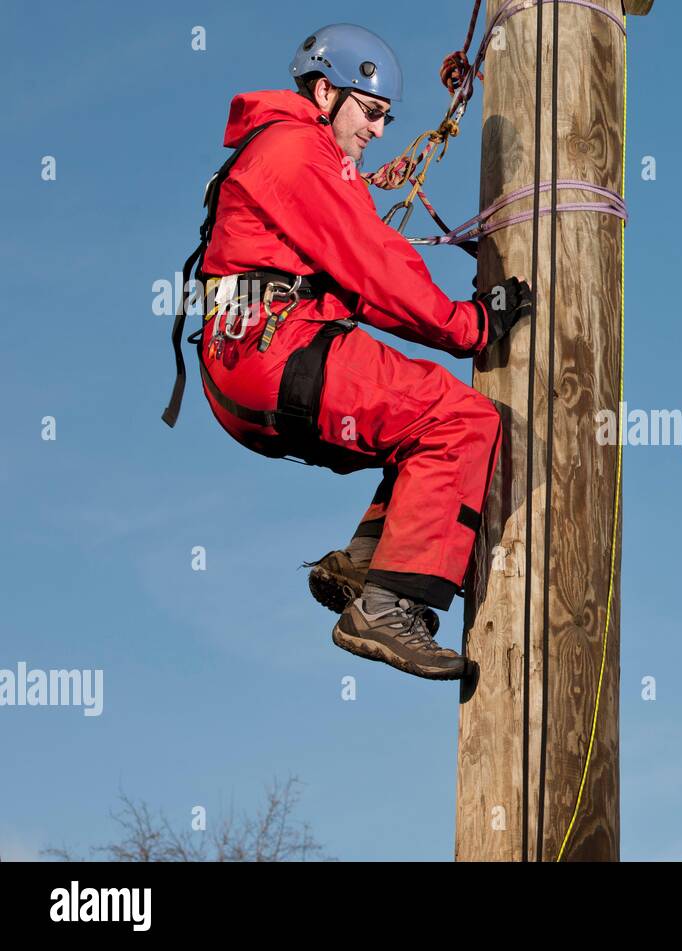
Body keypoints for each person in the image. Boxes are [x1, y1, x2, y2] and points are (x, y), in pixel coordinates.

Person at [170, 23, 533, 680]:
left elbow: (372, 252)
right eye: (370, 111)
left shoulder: (297, 160)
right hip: (274, 351)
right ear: (323, 91)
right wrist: (472, 326)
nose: (377, 131)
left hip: (248, 375)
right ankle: (390, 605)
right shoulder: (297, 149)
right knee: (461, 420)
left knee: (418, 424)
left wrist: (461, 316)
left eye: (386, 117)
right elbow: (373, 270)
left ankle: (369, 565)